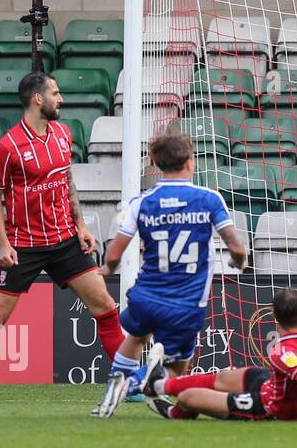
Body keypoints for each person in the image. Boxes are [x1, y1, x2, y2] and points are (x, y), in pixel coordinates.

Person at [0, 73, 122, 404]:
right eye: (56, 93)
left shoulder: (63, 133)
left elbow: (66, 181)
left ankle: (128, 380)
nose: (61, 99)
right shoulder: (7, 146)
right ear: (37, 99)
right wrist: (3, 244)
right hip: (24, 247)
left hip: (65, 241)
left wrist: (80, 225)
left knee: (104, 306)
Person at [91, 131, 248, 418]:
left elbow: (114, 252)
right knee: (179, 365)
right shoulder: (209, 199)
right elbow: (236, 246)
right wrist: (240, 261)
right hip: (186, 304)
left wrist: (107, 269)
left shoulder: (142, 202)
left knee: (135, 337)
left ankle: (114, 386)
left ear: (155, 163)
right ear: (191, 162)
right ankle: (140, 383)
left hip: (146, 296)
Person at [141, 287, 297, 425]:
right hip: (273, 385)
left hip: (272, 407)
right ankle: (157, 386)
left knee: (188, 396)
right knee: (225, 377)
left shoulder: (282, 352)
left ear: (273, 315)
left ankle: (172, 412)